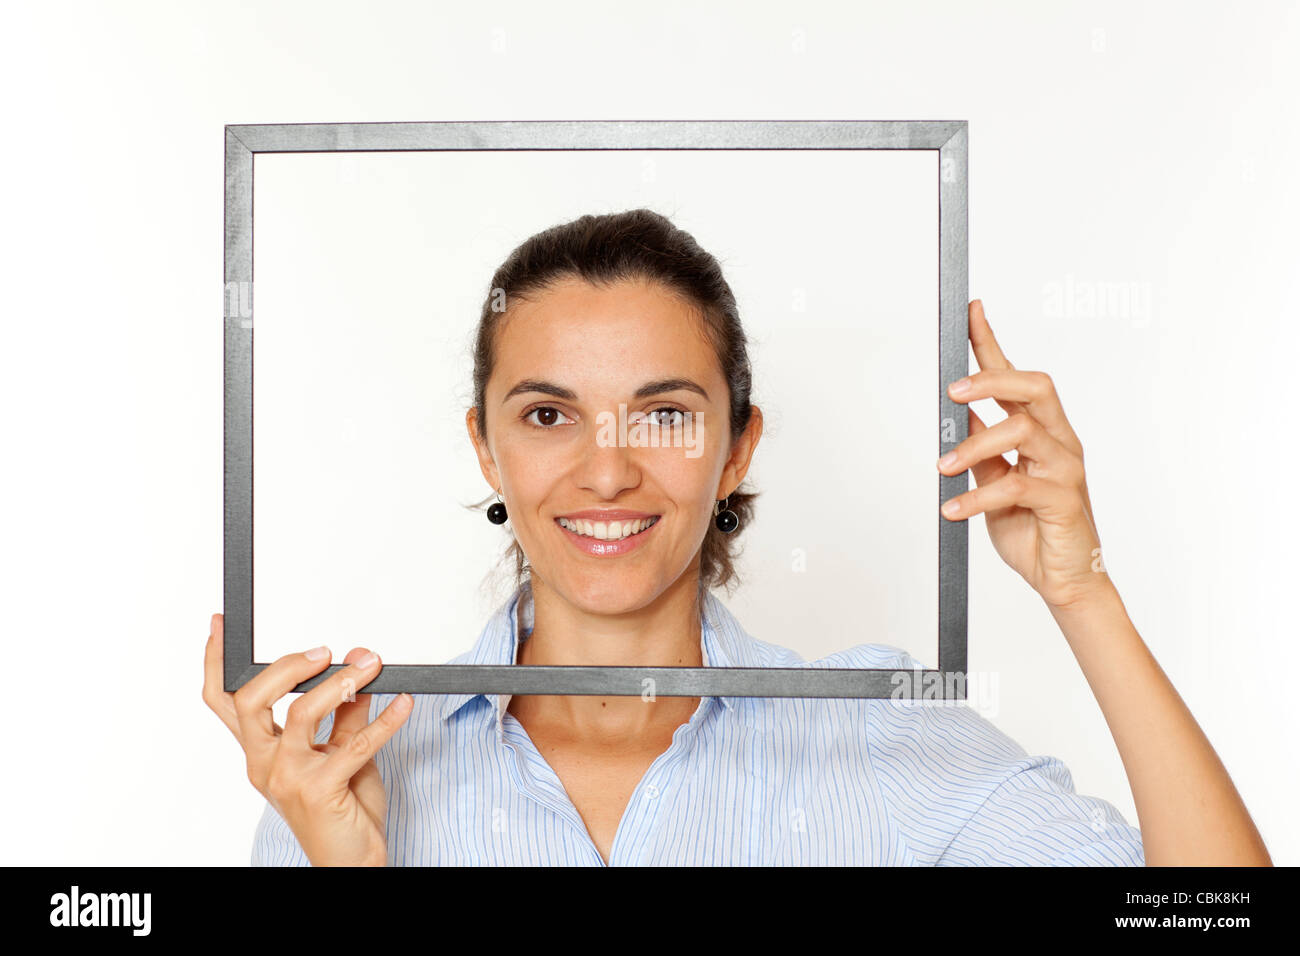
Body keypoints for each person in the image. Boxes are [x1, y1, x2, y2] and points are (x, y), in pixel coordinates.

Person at [203, 208, 1272, 866]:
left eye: (664, 411)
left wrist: (1078, 586)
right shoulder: (348, 770)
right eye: (546, 414)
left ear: (737, 445)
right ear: (486, 448)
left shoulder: (878, 737)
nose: (607, 467)